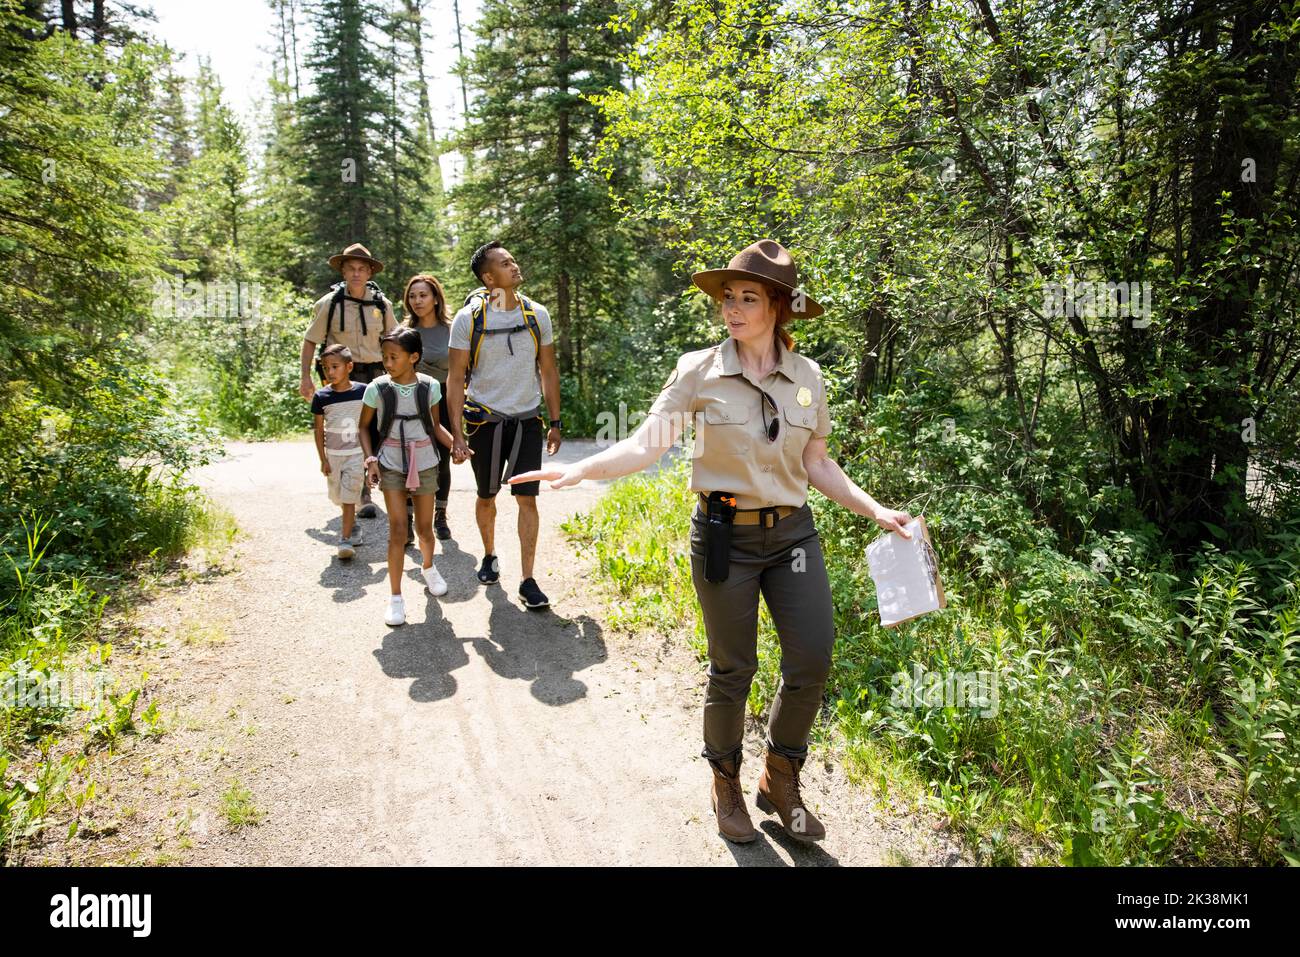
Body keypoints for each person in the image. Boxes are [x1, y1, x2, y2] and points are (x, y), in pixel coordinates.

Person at [511, 239, 914, 845]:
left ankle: (781, 776)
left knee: (811, 658)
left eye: (748, 297)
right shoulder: (699, 369)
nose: (732, 308)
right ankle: (726, 783)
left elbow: (818, 462)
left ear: (778, 305)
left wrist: (876, 509)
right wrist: (581, 470)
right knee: (734, 667)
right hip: (725, 536)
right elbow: (648, 444)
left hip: (793, 536)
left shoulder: (807, 376)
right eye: (728, 297)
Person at [446, 241, 562, 610]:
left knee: (527, 498)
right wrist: (456, 434)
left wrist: (556, 422)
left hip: (527, 420)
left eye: (513, 259)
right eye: (505, 262)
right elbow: (454, 378)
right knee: (487, 496)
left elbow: (548, 370)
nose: (514, 265)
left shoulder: (536, 314)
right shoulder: (469, 320)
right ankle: (490, 554)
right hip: (485, 421)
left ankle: (528, 580)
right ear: (488, 276)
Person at [357, 327, 461, 627]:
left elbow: (435, 426)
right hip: (390, 462)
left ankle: (428, 567)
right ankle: (396, 597)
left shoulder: (430, 387)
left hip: (425, 461)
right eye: (384, 356)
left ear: (413, 357)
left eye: (394, 356)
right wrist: (371, 458)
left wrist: (456, 445)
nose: (387, 362)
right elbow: (364, 427)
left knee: (426, 530)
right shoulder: (376, 388)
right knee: (399, 531)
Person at [300, 243, 398, 519]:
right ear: (343, 271)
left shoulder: (381, 304)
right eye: (351, 269)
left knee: (375, 429)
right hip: (343, 375)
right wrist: (306, 376)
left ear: (369, 272)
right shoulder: (329, 304)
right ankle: (359, 492)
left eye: (361, 269)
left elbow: (394, 340)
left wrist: (399, 375)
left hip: (376, 374)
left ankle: (370, 482)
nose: (356, 274)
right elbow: (310, 341)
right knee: (347, 433)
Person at [402, 274, 455, 542]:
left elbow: (463, 368)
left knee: (441, 457)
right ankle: (409, 518)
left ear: (435, 298)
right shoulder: (405, 333)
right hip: (411, 397)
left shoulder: (452, 329)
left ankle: (440, 515)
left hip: (445, 397)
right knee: (410, 457)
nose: (417, 301)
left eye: (423, 295)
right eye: (412, 296)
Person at [311, 344, 368, 559]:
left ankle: (345, 541)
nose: (330, 372)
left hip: (356, 455)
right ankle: (352, 524)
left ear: (349, 366)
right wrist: (323, 459)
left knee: (348, 497)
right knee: (337, 496)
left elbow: (372, 421)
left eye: (335, 367)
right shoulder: (322, 397)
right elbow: (318, 430)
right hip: (333, 456)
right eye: (326, 368)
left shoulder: (363, 391)